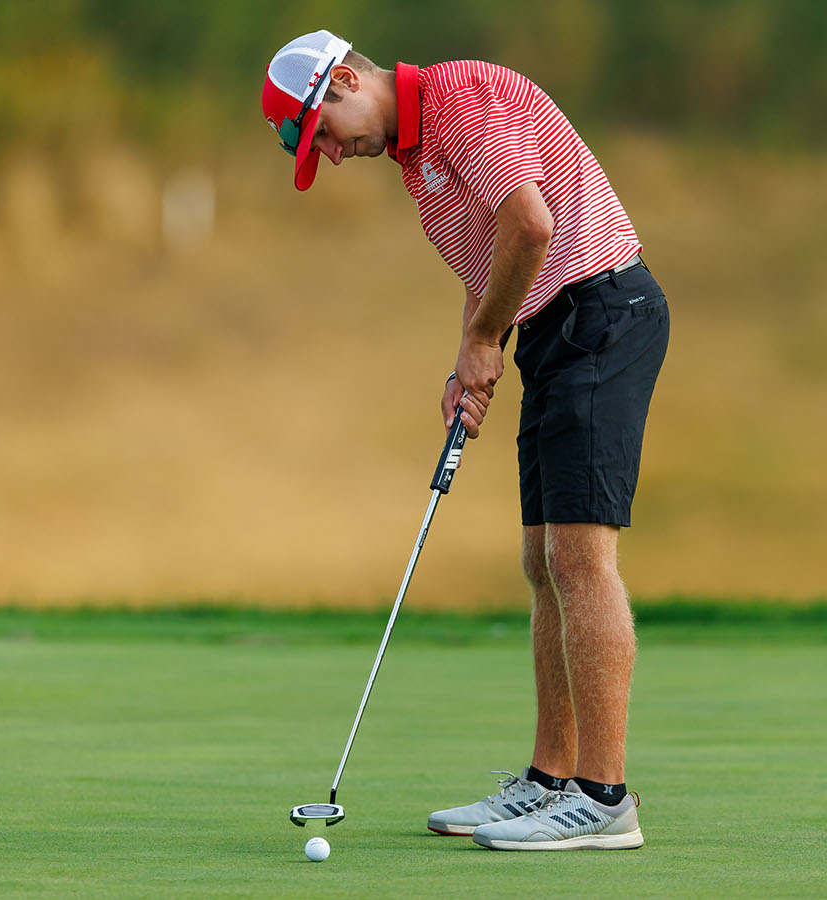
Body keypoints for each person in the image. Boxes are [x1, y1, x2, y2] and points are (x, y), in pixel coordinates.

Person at [261, 30, 668, 851]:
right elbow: (491, 269)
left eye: (324, 137)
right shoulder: (420, 161)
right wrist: (467, 359)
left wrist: (486, 340)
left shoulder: (457, 102)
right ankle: (551, 780)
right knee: (542, 559)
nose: (331, 157)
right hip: (555, 332)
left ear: (343, 80)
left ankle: (605, 796)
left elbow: (530, 226)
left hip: (602, 314)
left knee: (581, 559)